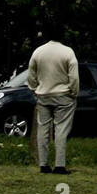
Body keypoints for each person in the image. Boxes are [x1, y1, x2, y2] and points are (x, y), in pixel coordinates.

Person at [27, 26, 78, 174]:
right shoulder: (68, 52)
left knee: (42, 129)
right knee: (61, 129)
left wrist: (34, 88)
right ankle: (59, 165)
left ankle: (43, 164)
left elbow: (31, 73)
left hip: (43, 94)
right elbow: (74, 76)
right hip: (63, 95)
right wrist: (73, 92)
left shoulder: (38, 51)